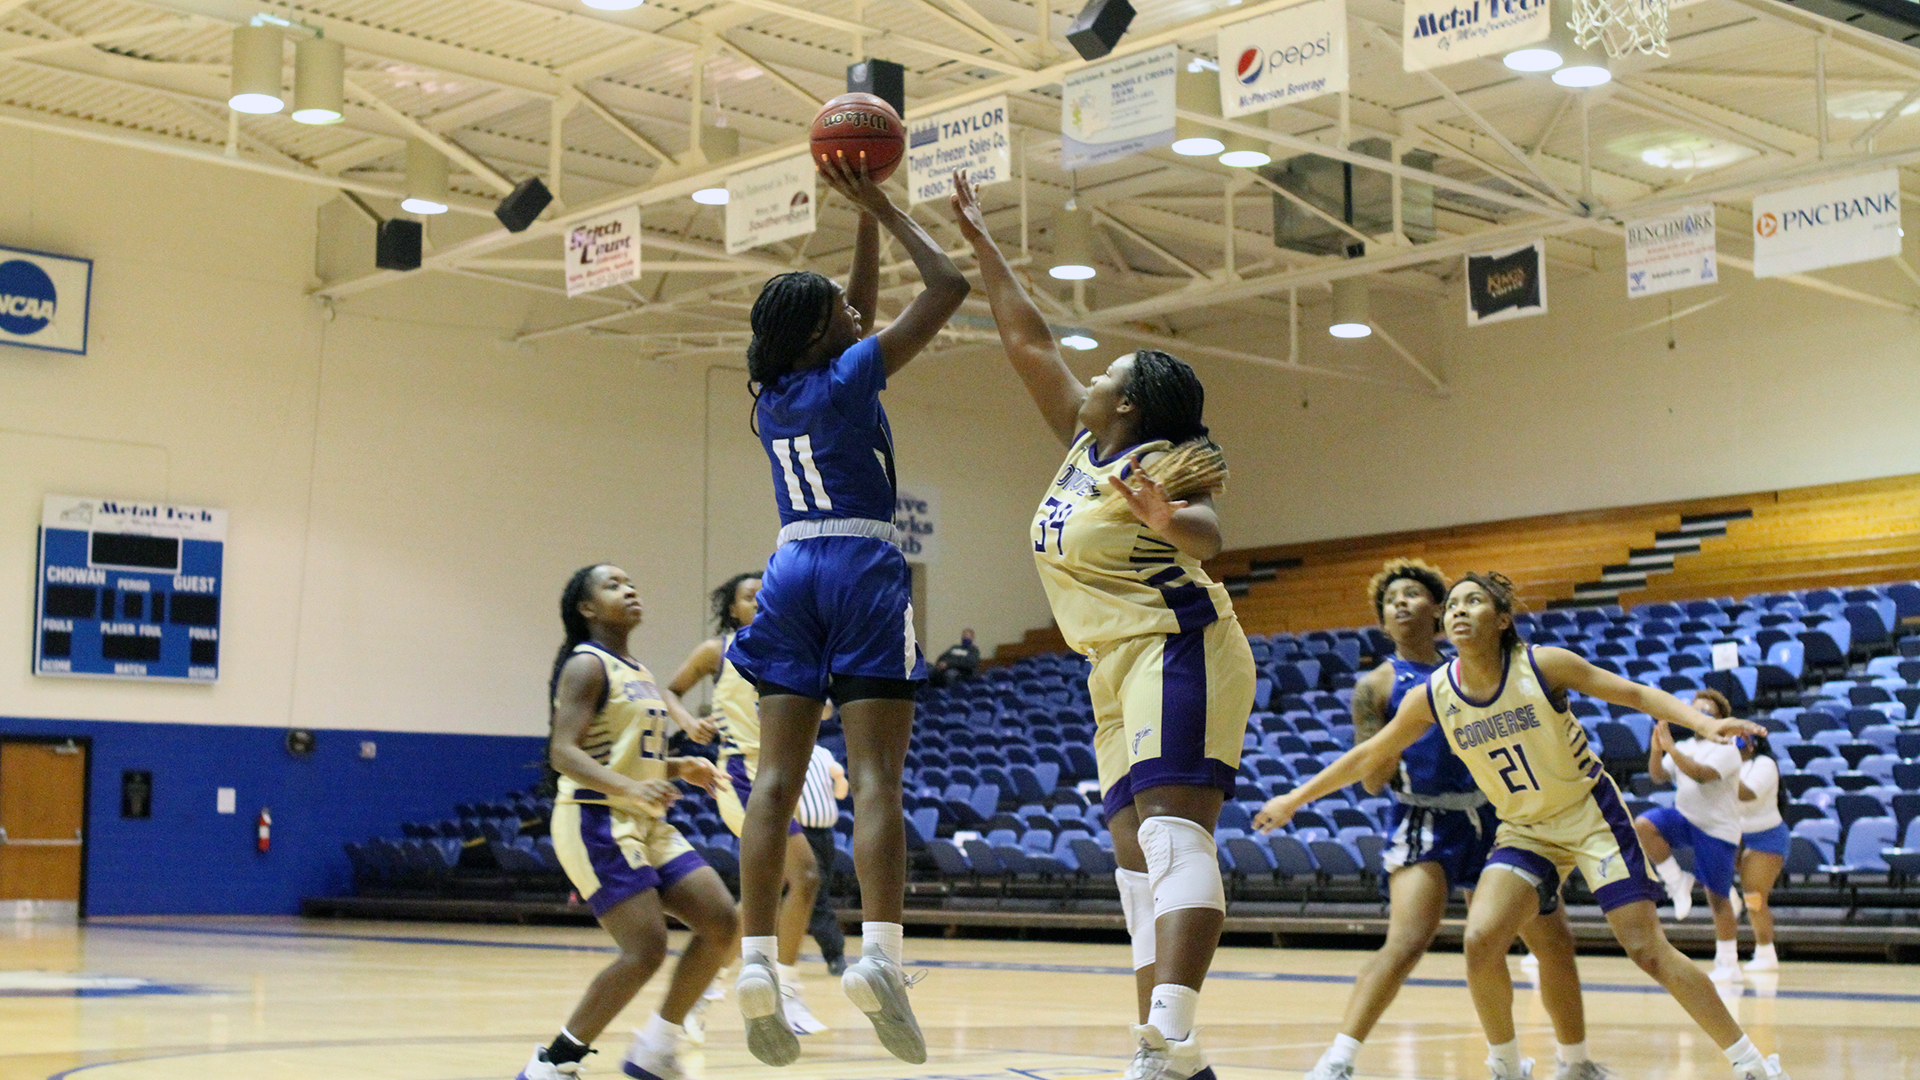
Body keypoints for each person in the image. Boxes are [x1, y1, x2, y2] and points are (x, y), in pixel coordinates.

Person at [951, 170, 1255, 1080]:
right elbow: (1027, 339)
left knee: (1171, 836)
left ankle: (1170, 1025)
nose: (1090, 378)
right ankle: (1166, 1058)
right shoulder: (1088, 448)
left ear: (1127, 402)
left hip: (1179, 644)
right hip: (1109, 665)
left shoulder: (1170, 457)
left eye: (1108, 374)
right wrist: (981, 240)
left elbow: (1206, 531)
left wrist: (1168, 520)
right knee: (1132, 860)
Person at [1256, 573, 1790, 1080]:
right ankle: (1507, 1065)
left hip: (1590, 817)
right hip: (1524, 829)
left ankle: (1749, 1062)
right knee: (1481, 939)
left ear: (1503, 619)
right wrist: (1296, 798)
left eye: (1475, 601)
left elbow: (1632, 693)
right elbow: (1371, 752)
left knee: (1646, 949)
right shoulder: (1433, 693)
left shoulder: (1543, 665)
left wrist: (1702, 722)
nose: (1461, 610)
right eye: (1455, 604)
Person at [724, 150, 968, 1067]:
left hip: (788, 567)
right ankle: (880, 958)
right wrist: (895, 208)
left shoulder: (777, 395)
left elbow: (855, 310)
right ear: (828, 336)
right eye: (839, 311)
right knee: (875, 782)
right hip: (863, 563)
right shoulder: (850, 377)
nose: (853, 311)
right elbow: (943, 285)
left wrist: (857, 218)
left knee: (773, 785)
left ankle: (756, 965)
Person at [1286, 560, 1606, 1080]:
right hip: (1424, 819)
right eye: (1391, 600)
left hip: (1498, 815)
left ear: (1437, 609)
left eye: (1412, 594)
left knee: (1551, 940)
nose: (1401, 604)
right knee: (1408, 940)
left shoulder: (1475, 666)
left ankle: (1576, 1062)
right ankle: (1337, 1060)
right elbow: (1370, 781)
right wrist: (1392, 742)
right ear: (1383, 622)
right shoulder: (1379, 687)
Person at [517, 565, 738, 1080]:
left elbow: (629, 757)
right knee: (645, 949)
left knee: (723, 923)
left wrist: (680, 767)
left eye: (631, 582)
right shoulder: (586, 666)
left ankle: (656, 1047)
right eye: (613, 585)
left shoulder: (637, 670)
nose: (630, 589)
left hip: (645, 820)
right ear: (587, 609)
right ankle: (553, 1064)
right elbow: (563, 752)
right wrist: (631, 787)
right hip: (594, 819)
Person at [668, 573, 826, 1034]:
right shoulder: (715, 650)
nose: (757, 601)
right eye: (747, 597)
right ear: (732, 608)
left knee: (770, 886)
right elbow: (671, 691)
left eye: (764, 595)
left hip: (779, 774)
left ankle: (704, 985)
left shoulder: (787, 647)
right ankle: (787, 991)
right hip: (737, 776)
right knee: (807, 875)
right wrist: (687, 723)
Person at [1633, 688, 1745, 980]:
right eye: (1696, 710)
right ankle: (1676, 881)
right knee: (1644, 826)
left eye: (1707, 712)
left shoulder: (1727, 748)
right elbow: (1658, 776)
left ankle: (1728, 963)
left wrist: (1671, 749)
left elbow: (1699, 774)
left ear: (1719, 719)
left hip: (1718, 828)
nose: (1701, 715)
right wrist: (1658, 749)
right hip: (1685, 818)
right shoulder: (1685, 744)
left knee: (1718, 898)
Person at [1734, 731, 1787, 972]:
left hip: (1767, 838)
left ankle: (1766, 953)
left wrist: (1716, 776)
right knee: (1749, 897)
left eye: (1740, 737)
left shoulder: (1765, 764)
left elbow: (1749, 794)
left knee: (1754, 896)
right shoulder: (1732, 765)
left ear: (1753, 743)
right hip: (1741, 837)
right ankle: (1762, 951)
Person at [798, 743, 852, 974]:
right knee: (816, 895)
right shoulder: (785, 749)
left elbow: (840, 793)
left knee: (816, 893)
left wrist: (840, 778)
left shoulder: (824, 753)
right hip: (799, 833)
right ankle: (835, 955)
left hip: (825, 835)